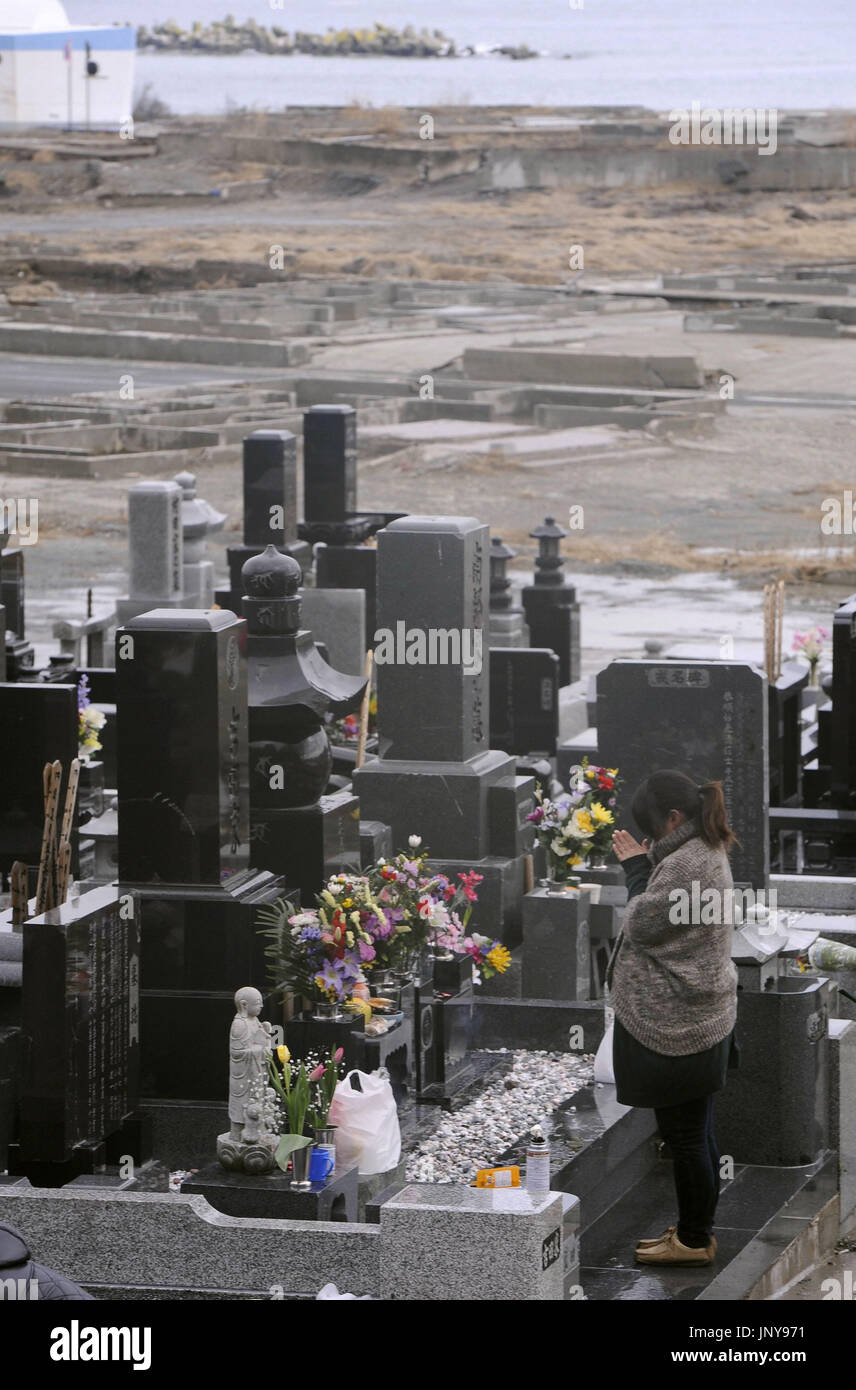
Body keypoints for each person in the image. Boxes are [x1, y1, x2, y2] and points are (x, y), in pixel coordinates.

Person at [607, 769, 739, 1267]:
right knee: (696, 1131)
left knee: (685, 1136)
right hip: (701, 1011)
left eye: (654, 830)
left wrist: (637, 868)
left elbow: (642, 924)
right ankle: (695, 1231)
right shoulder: (702, 848)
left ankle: (691, 1240)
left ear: (674, 818)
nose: (649, 840)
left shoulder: (688, 865)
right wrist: (649, 860)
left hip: (678, 1021)